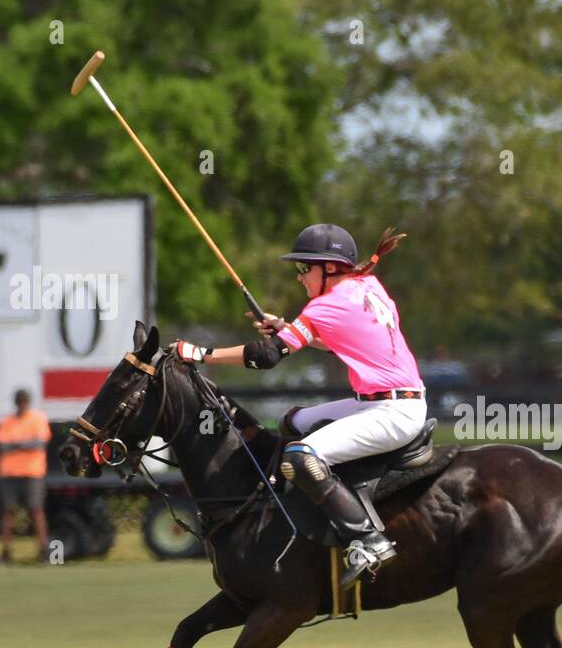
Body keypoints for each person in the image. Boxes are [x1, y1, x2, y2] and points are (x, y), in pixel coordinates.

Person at [174, 224, 425, 588]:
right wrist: (286, 326)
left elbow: (265, 357)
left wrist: (200, 353)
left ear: (329, 268)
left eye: (304, 268)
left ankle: (368, 540)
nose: (300, 278)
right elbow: (344, 337)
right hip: (386, 403)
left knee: (300, 456)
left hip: (392, 413)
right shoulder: (366, 285)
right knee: (292, 423)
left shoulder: (327, 304)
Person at [0, 388, 51, 564]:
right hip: (9, 472)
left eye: (24, 401)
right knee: (8, 512)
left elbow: (40, 443)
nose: (22, 404)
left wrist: (16, 444)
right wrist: (25, 444)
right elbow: (1, 445)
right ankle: (6, 552)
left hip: (33, 472)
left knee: (36, 510)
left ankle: (44, 550)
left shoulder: (37, 419)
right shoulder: (7, 422)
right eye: (20, 401)